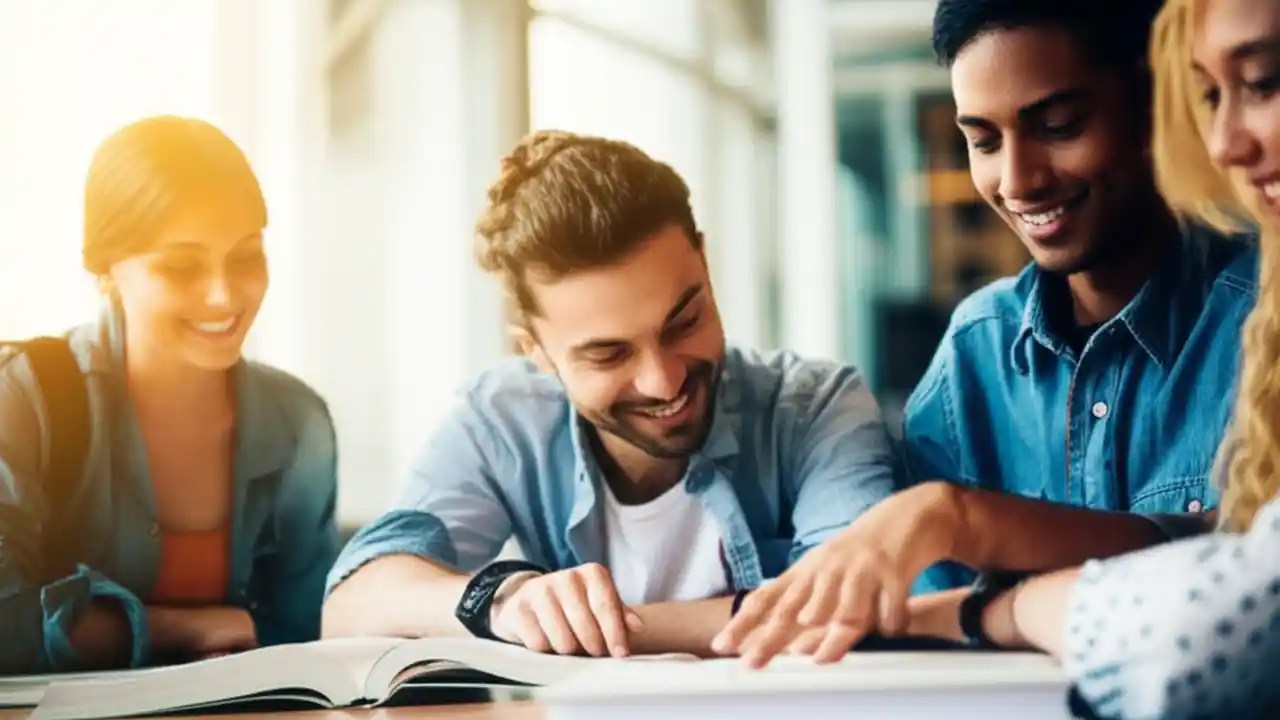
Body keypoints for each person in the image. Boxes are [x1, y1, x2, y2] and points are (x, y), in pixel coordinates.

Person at [713, 0, 1260, 667]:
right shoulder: (971, 361)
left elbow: (1251, 593)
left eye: (1059, 126)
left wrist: (971, 522)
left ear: (1155, 103)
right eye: (983, 141)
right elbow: (933, 638)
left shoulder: (1262, 315)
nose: (1018, 180)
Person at [321, 130, 896, 658]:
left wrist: (580, 633)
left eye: (684, 321)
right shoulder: (503, 419)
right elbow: (352, 607)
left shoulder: (817, 407)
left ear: (706, 262)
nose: (663, 380)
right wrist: (506, 604)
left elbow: (855, 611)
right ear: (538, 353)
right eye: (608, 354)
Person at [0, 116, 339, 673]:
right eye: (181, 266)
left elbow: (307, 631)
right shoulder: (28, 397)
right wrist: (183, 628)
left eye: (246, 255)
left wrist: (96, 629)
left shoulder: (299, 422)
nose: (223, 293)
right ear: (107, 271)